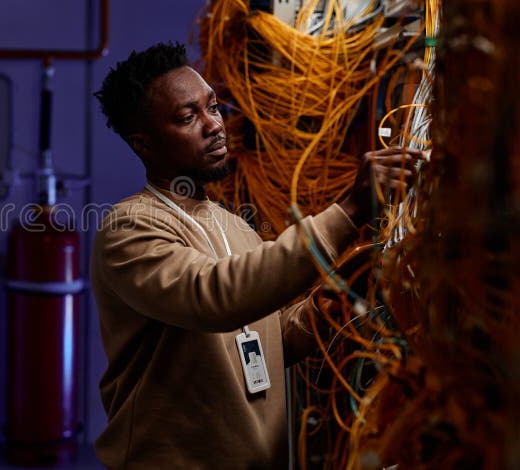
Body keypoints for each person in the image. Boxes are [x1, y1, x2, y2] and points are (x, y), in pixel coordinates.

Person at [90, 42, 422, 469]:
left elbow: (268, 336)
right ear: (144, 145)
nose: (213, 125)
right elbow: (215, 298)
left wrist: (334, 303)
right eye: (188, 117)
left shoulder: (234, 226)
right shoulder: (129, 227)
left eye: (212, 107)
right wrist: (350, 210)